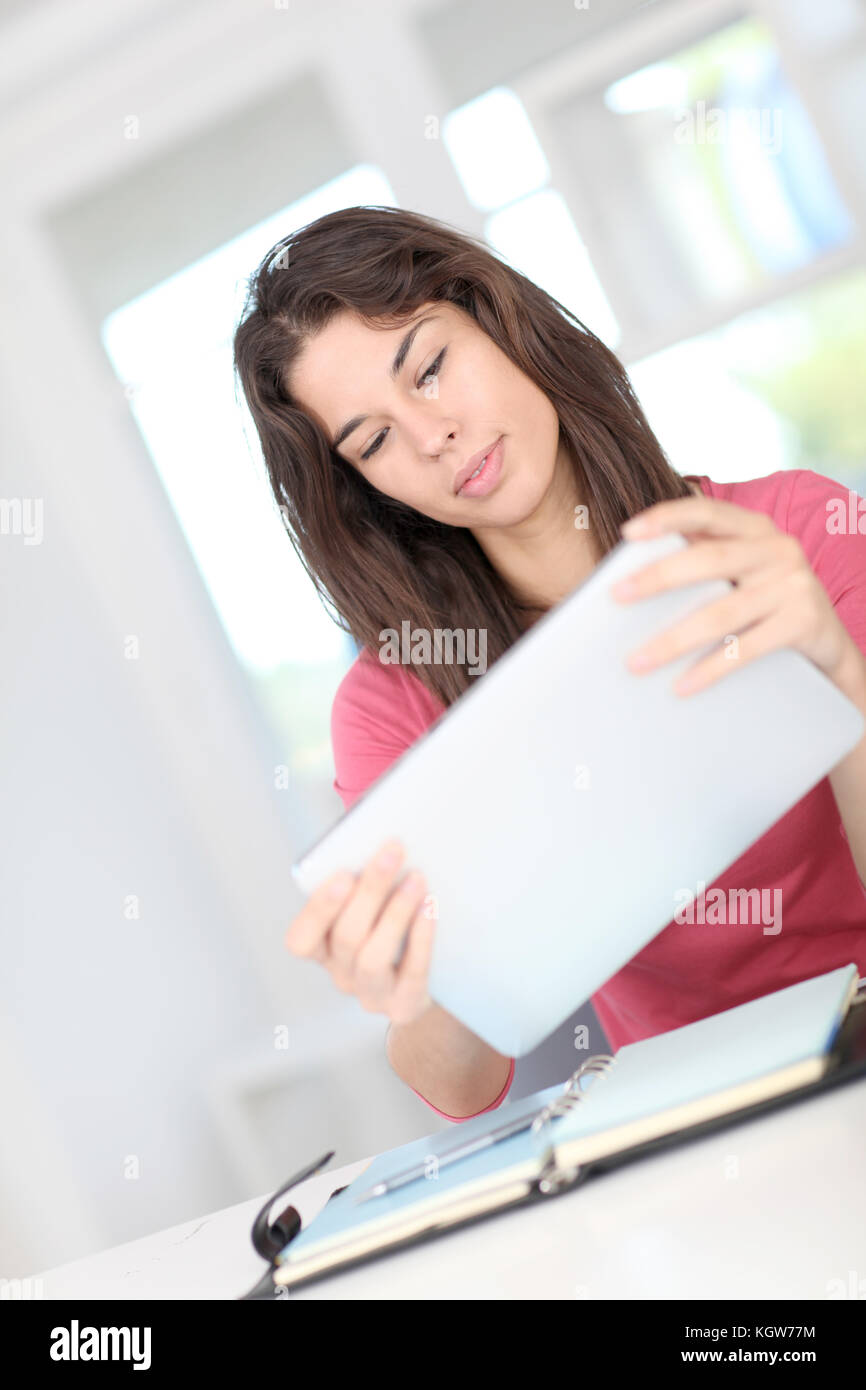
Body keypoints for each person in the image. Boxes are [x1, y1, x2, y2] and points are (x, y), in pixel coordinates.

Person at [233, 205, 866, 1123]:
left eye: (432, 367)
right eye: (371, 441)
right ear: (363, 488)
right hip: (696, 1116)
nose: (431, 435)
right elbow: (458, 1082)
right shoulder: (396, 700)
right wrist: (411, 980)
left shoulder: (793, 531)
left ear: (503, 324)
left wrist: (840, 675)